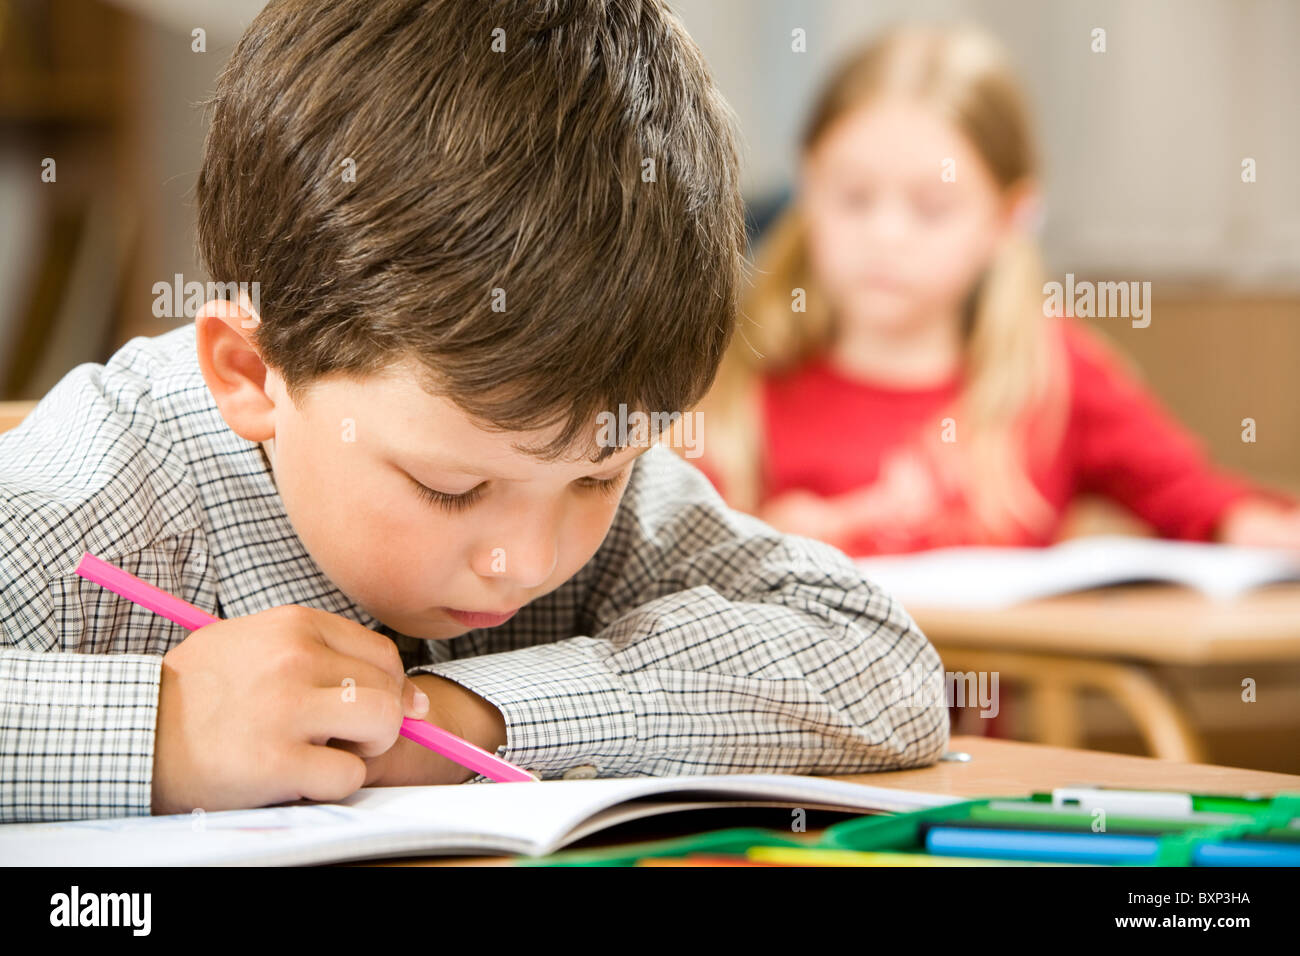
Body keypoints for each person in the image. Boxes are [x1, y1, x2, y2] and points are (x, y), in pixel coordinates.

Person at [691, 23, 1300, 557]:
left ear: (1010, 217)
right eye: (853, 198)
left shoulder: (1053, 375)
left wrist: (1239, 522)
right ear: (808, 187)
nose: (885, 236)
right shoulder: (733, 376)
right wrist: (770, 544)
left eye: (931, 209)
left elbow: (1190, 495)